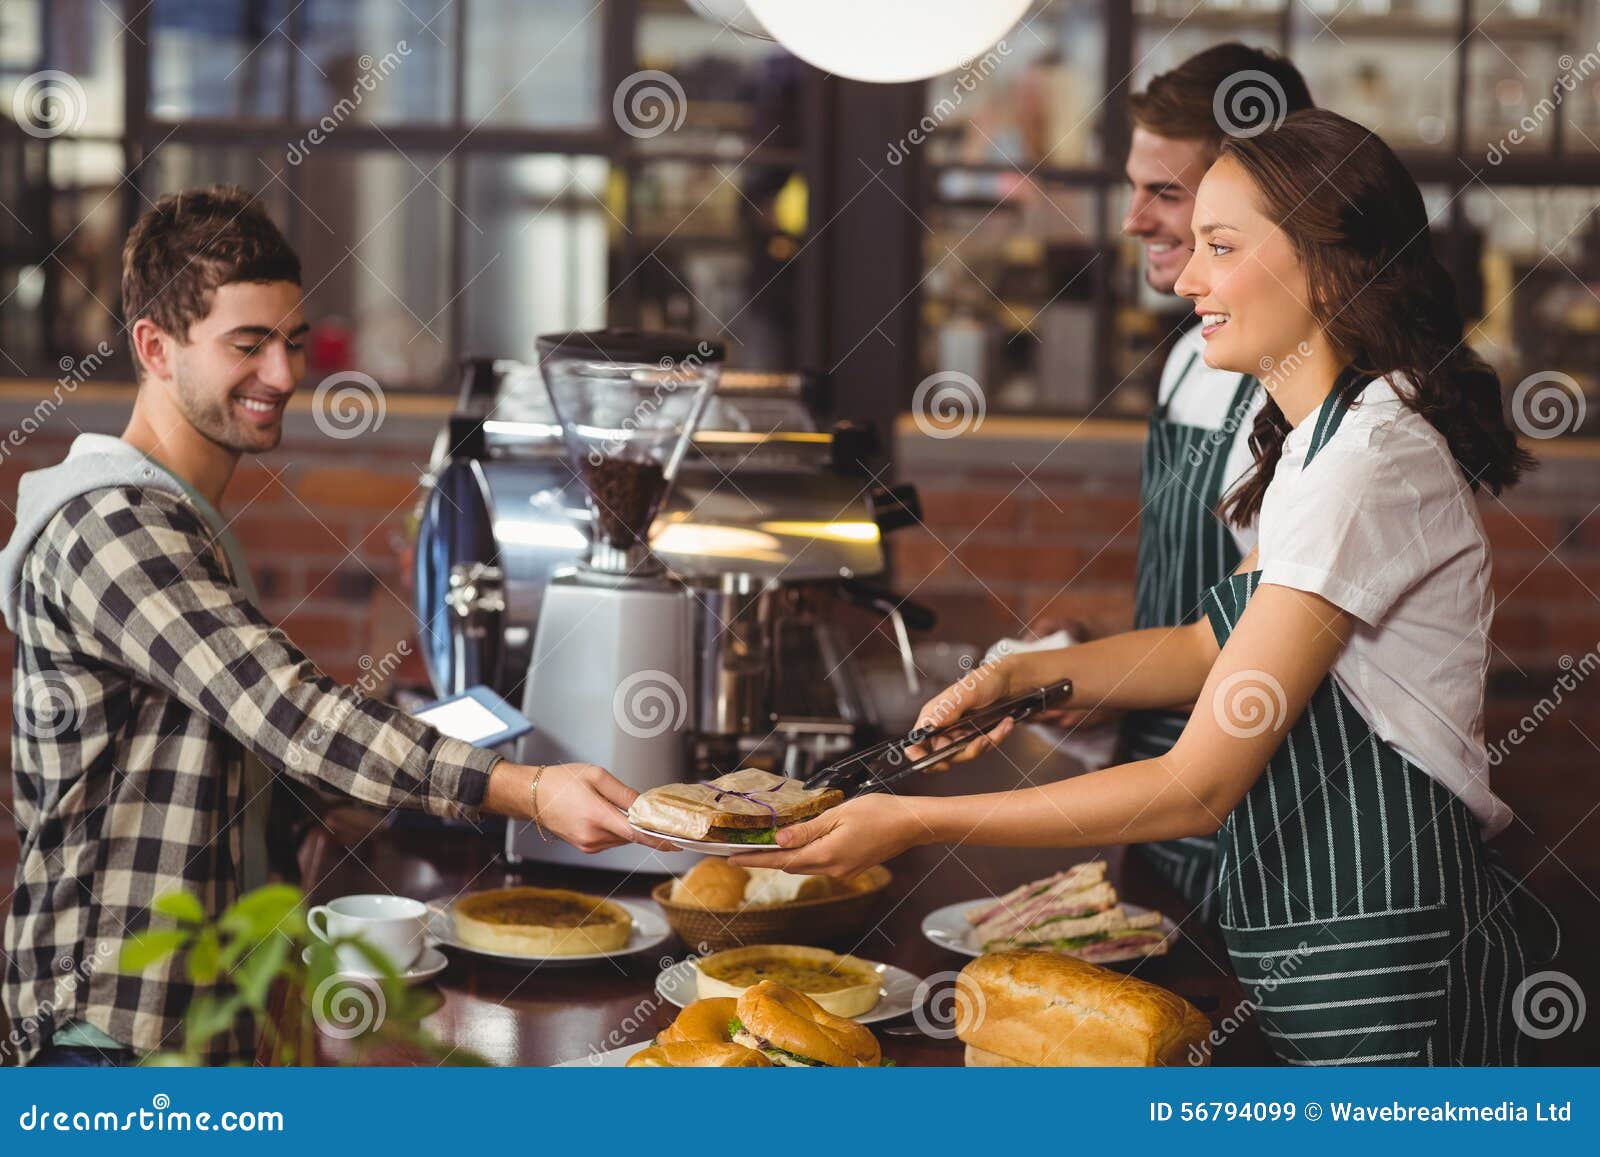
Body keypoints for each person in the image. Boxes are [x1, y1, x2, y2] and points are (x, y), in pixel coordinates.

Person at [734, 110, 1555, 1066]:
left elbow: (1196, 784)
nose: (1190, 278)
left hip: (1390, 970)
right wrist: (1023, 680)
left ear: (1327, 267)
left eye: (1220, 246)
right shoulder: (1323, 437)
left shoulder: (1370, 460)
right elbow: (1210, 646)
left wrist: (913, 818)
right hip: (1320, 942)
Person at [0, 187, 659, 1066]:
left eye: (292, 341)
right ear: (155, 347)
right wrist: (529, 790)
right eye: (248, 344)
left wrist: (358, 784)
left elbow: (223, 752)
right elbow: (289, 712)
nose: (283, 374)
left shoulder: (181, 519)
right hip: (104, 1040)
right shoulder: (113, 529)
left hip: (197, 1026)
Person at [1116, 44, 1312, 927]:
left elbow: (1233, 644)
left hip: (1253, 820)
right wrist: (1082, 668)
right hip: (1152, 803)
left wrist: (1063, 681)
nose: (1134, 222)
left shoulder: (1302, 396)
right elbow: (1191, 608)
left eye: (1167, 194)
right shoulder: (1190, 356)